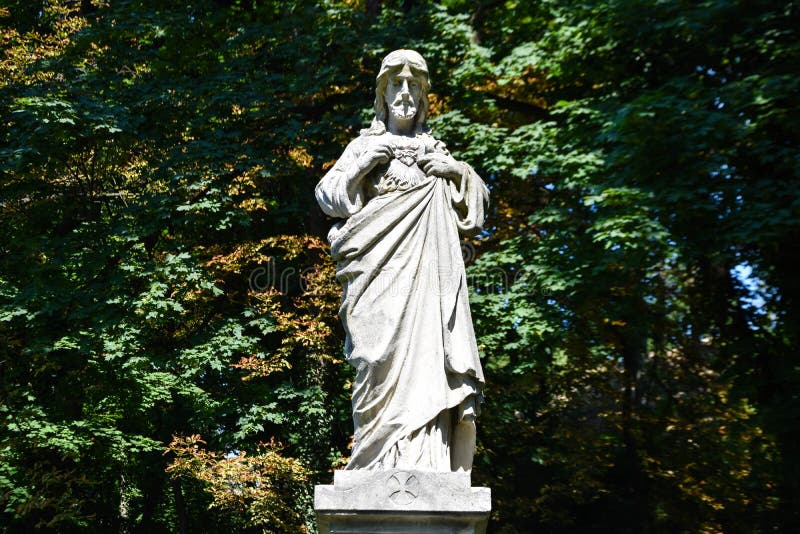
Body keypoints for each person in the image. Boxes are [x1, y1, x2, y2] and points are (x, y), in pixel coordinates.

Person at [315, 49, 489, 472]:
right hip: (378, 281)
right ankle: (375, 460)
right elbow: (328, 195)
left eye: (414, 86)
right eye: (397, 84)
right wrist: (359, 168)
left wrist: (455, 171)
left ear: (425, 97)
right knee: (375, 359)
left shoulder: (437, 150)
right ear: (383, 93)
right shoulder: (364, 145)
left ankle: (427, 462)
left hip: (427, 284)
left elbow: (477, 205)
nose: (405, 93)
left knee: (428, 359)